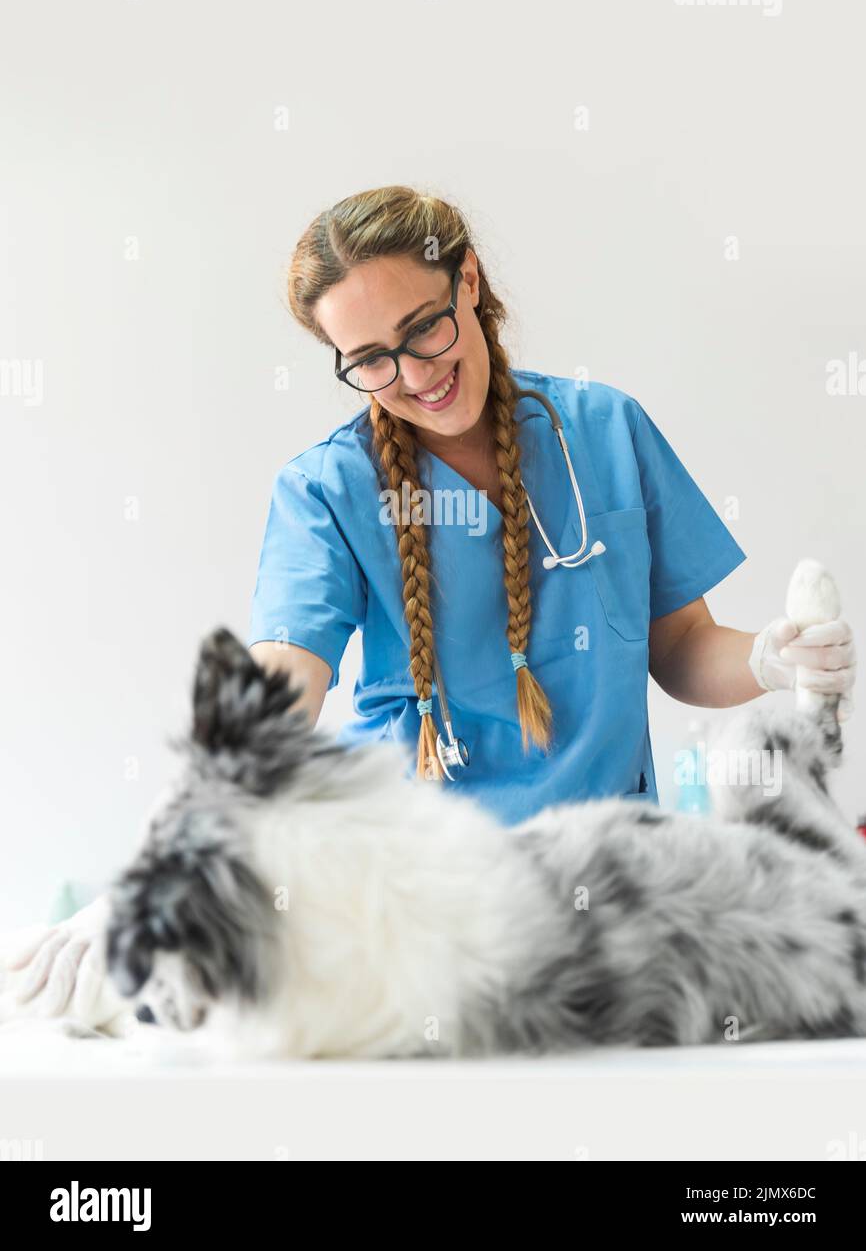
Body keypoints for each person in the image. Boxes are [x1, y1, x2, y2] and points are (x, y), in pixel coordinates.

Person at [1, 184, 856, 1025]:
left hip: (609, 883)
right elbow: (279, 686)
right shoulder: (326, 491)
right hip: (419, 904)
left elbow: (680, 646)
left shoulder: (605, 430)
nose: (414, 375)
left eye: (424, 329)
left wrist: (763, 661)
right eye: (371, 359)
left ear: (470, 283)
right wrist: (162, 866)